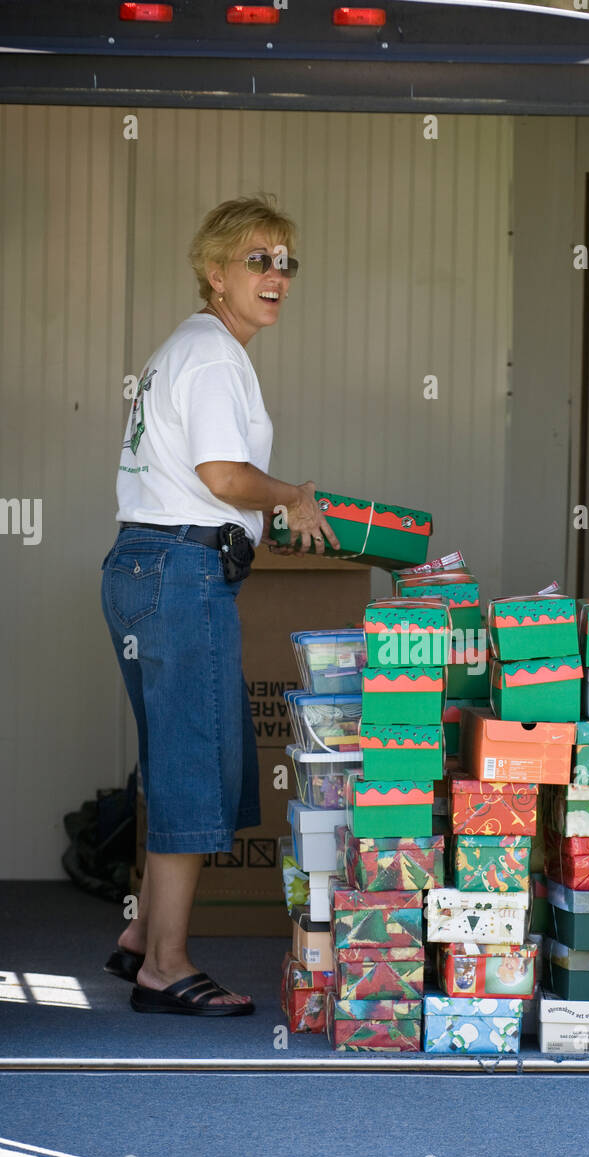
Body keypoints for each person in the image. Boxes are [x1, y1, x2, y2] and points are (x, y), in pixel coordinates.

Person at [100, 194, 338, 1016]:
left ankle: (142, 939)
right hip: (178, 573)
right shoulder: (210, 356)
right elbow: (221, 476)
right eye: (257, 261)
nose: (276, 276)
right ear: (214, 272)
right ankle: (165, 963)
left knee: (190, 756)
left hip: (153, 568)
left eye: (285, 263)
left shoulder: (197, 349)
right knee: (193, 766)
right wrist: (292, 499)